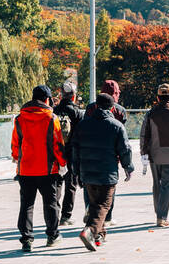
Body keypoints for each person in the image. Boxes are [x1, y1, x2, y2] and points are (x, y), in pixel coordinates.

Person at [71, 92, 133, 251]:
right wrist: (128, 167)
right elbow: (124, 150)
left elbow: (75, 150)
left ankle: (99, 236)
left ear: (96, 106)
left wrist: (76, 171)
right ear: (112, 108)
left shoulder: (83, 125)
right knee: (104, 205)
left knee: (94, 205)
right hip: (107, 173)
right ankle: (90, 231)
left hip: (88, 173)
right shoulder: (116, 126)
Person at [11, 85, 68, 252]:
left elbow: (16, 142)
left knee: (26, 205)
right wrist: (62, 162)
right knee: (50, 203)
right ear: (47, 99)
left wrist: (16, 157)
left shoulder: (20, 118)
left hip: (26, 169)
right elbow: (57, 144)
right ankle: (52, 236)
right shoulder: (51, 118)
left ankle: (26, 239)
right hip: (47, 169)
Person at [139, 83, 169, 227]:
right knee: (166, 186)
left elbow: (144, 135)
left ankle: (158, 212)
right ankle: (162, 216)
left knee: (157, 184)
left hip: (154, 154)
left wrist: (143, 152)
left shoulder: (150, 113)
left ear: (158, 98)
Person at [53, 82, 84, 225]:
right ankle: (66, 216)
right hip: (72, 151)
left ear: (61, 95)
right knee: (71, 184)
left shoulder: (54, 110)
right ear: (74, 96)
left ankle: (54, 214)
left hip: (56, 151)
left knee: (57, 182)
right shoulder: (77, 112)